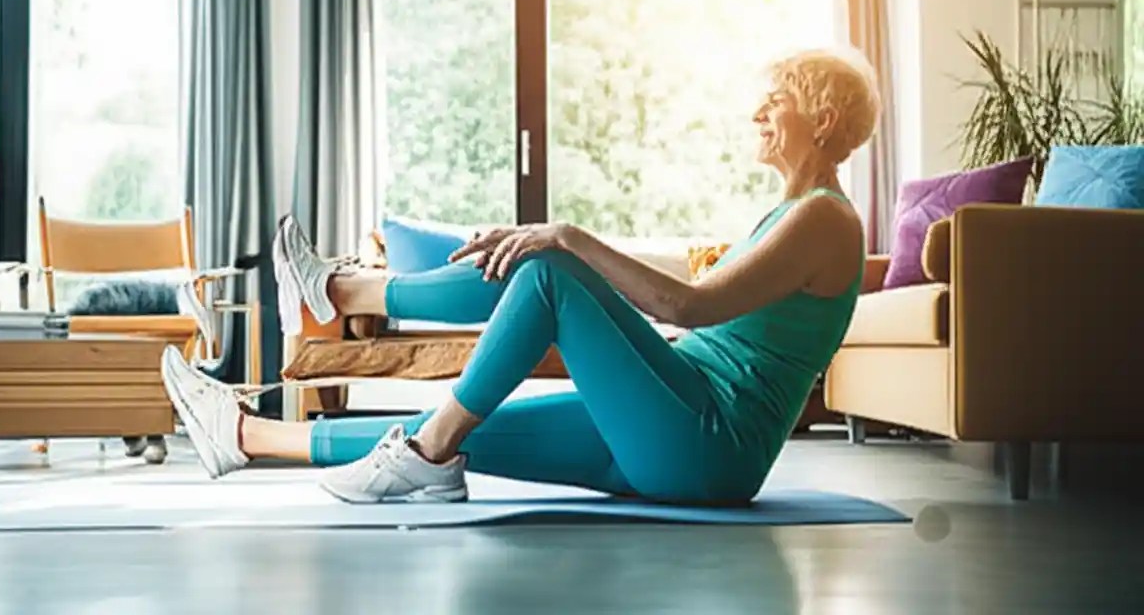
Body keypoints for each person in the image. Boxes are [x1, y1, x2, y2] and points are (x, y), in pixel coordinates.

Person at [160, 47, 880, 505]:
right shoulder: (790, 213)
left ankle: (345, 296)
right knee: (472, 428)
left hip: (705, 441)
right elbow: (685, 303)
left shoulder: (825, 219)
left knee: (549, 269)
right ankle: (247, 434)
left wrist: (568, 237)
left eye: (776, 99)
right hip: (674, 424)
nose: (757, 112)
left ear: (822, 118)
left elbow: (689, 308)